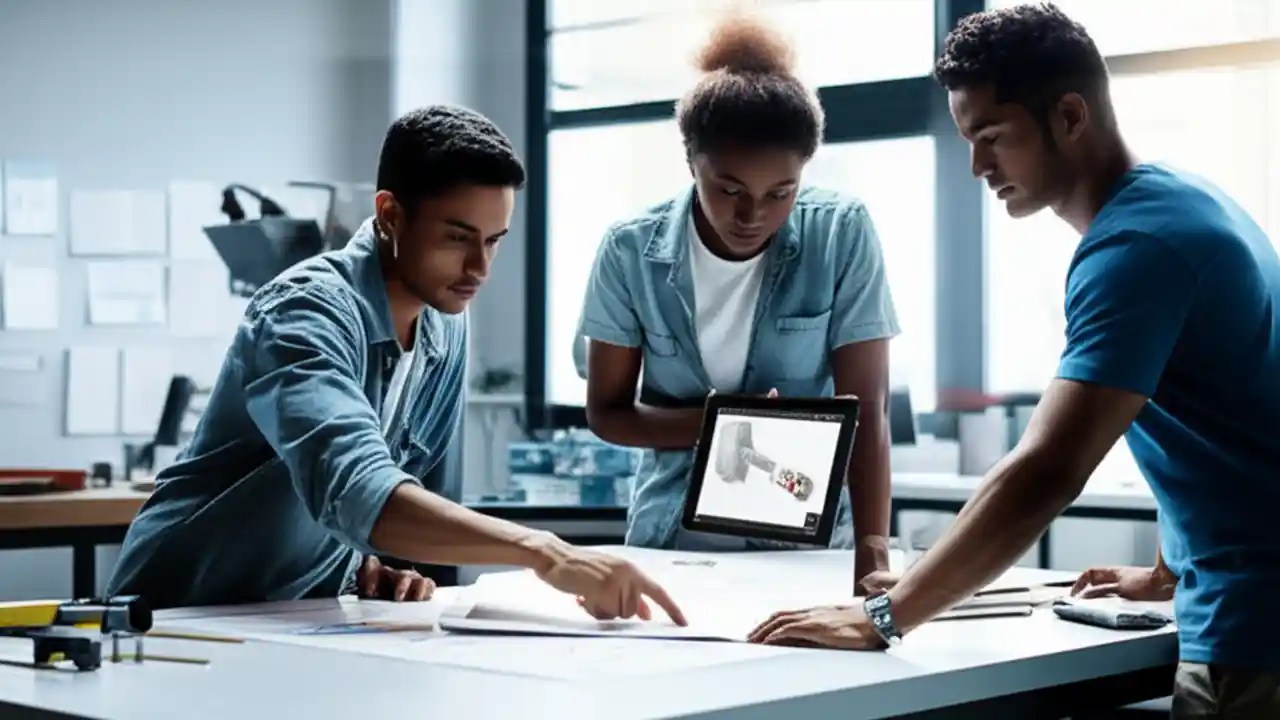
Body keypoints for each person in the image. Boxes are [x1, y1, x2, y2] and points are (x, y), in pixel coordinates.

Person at [747, 3, 1280, 714]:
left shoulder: (1138, 250)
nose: (976, 166)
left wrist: (887, 615)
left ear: (1069, 115)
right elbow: (1224, 423)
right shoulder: (1179, 206)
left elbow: (1047, 468)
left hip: (1255, 627)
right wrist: (1166, 571)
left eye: (992, 137)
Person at [107, 105, 686, 628]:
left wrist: (377, 565)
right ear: (390, 214)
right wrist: (546, 552)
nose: (479, 267)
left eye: (494, 240)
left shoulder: (446, 321)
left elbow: (418, 500)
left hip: (295, 618)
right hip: (174, 613)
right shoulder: (303, 313)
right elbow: (359, 490)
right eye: (457, 237)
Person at [573, 14, 900, 595]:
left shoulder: (841, 232)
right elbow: (608, 413)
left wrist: (874, 559)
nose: (753, 216)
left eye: (781, 193)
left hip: (808, 542)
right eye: (729, 190)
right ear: (690, 162)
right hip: (669, 547)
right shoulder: (629, 251)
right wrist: (730, 422)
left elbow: (867, 414)